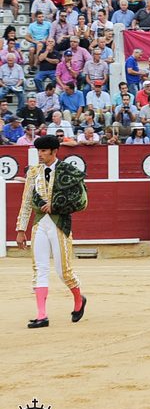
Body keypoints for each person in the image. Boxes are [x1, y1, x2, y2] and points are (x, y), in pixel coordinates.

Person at [15, 135, 89, 328]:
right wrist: (21, 229)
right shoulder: (33, 173)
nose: (40, 155)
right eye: (38, 151)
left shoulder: (67, 171)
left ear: (54, 151)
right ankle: (42, 315)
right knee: (39, 268)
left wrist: (55, 205)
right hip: (40, 224)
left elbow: (79, 200)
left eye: (44, 151)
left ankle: (79, 299)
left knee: (63, 271)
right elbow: (26, 202)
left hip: (59, 223)